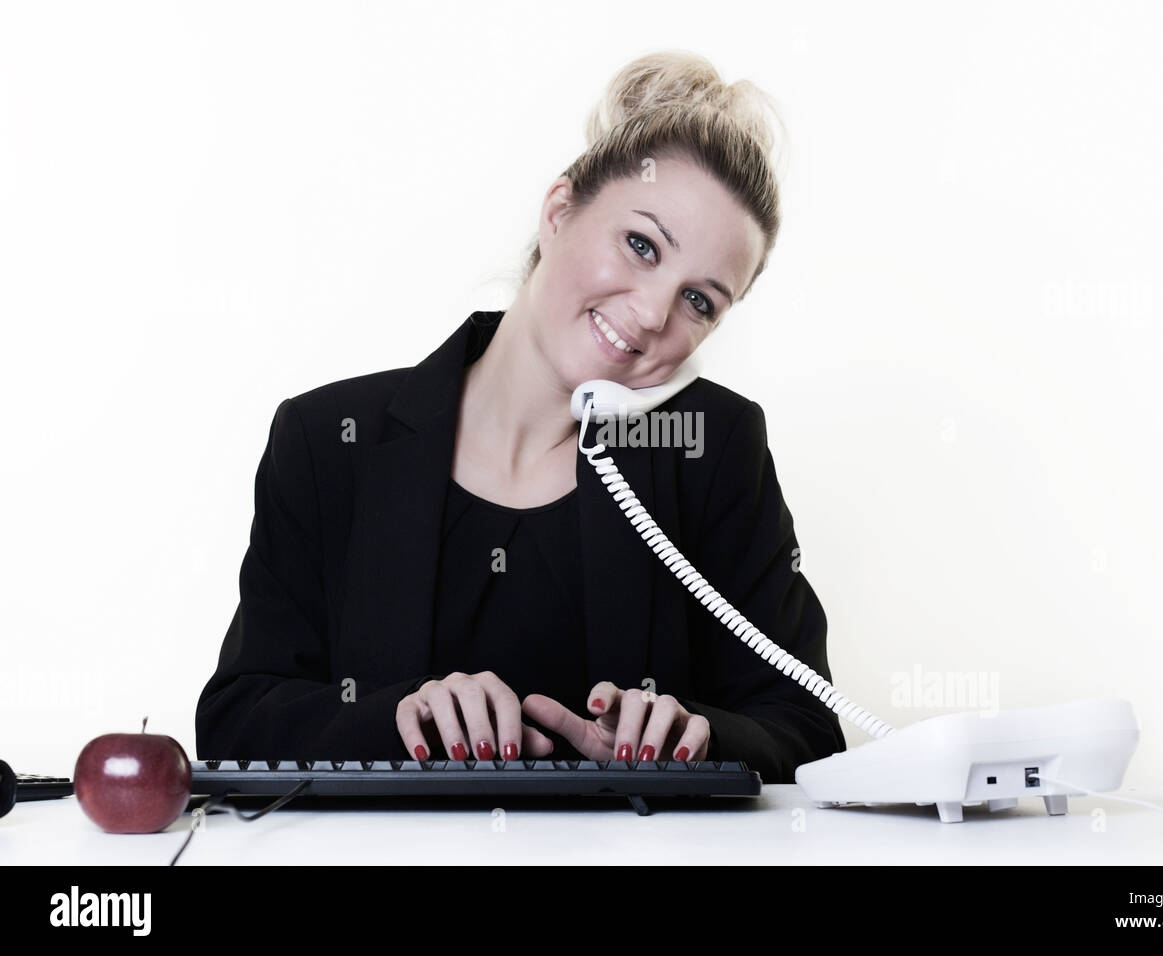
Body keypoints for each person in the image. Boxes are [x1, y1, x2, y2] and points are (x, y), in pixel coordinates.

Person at [195, 50, 847, 784]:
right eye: (640, 245)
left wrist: (694, 737)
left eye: (700, 300)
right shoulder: (325, 441)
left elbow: (807, 728)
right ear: (560, 211)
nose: (652, 312)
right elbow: (237, 718)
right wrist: (399, 716)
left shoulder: (715, 449)